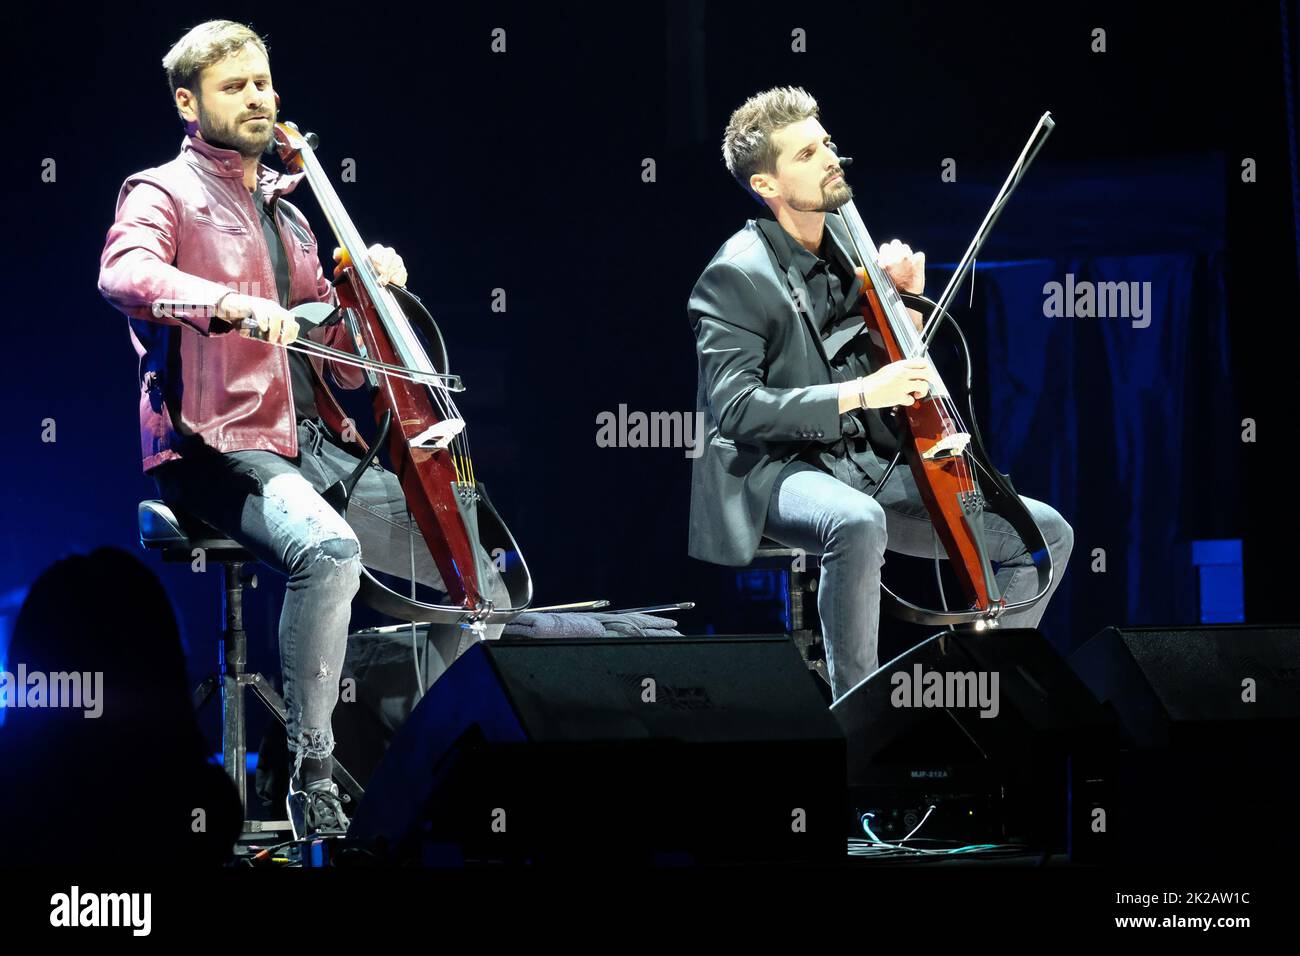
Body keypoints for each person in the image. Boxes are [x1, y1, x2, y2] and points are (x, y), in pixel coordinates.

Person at [97, 19, 507, 840]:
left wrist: (368, 296)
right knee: (330, 553)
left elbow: (347, 371)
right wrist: (226, 303)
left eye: (263, 82)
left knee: (480, 580)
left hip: (319, 445)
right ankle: (310, 773)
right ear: (189, 103)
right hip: (218, 443)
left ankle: (428, 763)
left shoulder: (292, 215)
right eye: (234, 86)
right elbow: (124, 272)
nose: (258, 97)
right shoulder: (161, 191)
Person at [687, 86, 1074, 704]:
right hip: (776, 467)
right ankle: (858, 713)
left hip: (865, 458)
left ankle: (987, 695)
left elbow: (897, 368)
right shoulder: (735, 274)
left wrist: (906, 305)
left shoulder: (848, 237)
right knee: (858, 522)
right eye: (808, 153)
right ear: (768, 185)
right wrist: (860, 393)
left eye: (827, 143)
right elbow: (736, 410)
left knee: (1046, 533)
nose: (829, 158)